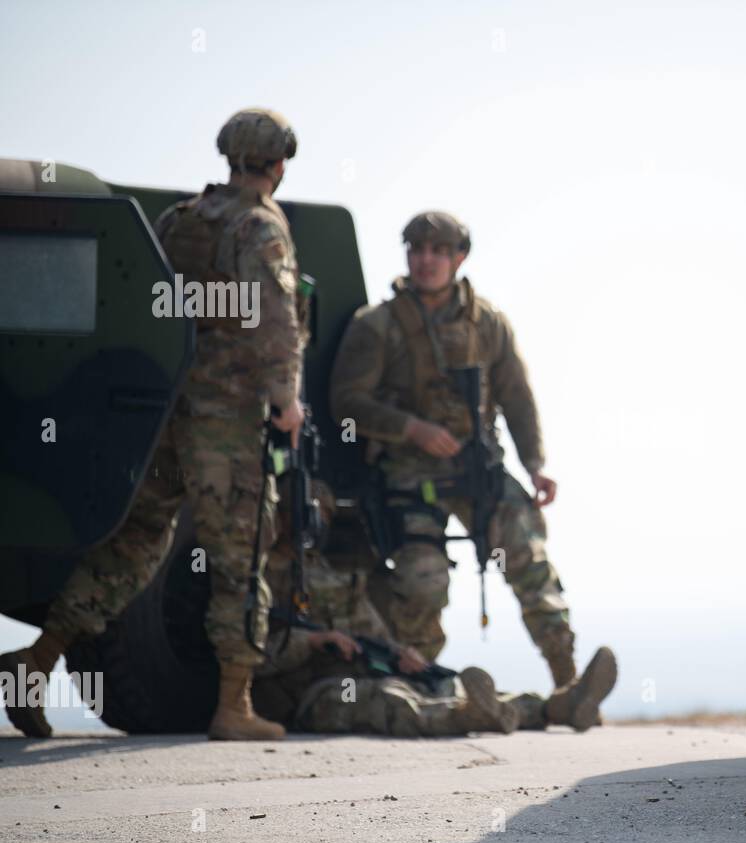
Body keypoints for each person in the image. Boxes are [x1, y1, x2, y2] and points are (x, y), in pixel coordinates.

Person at [1, 108, 306, 740]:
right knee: (240, 554)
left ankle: (38, 661)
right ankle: (234, 706)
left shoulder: (177, 219)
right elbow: (275, 320)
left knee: (133, 542)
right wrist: (286, 400)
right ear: (279, 163)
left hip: (161, 411)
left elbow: (151, 302)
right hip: (225, 420)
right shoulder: (260, 226)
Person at [329, 211, 589, 689]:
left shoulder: (487, 323)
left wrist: (535, 464)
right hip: (408, 476)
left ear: (459, 258)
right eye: (417, 249)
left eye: (439, 251)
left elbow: (516, 397)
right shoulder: (377, 325)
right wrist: (411, 429)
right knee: (423, 582)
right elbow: (346, 402)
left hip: (476, 467)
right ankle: (416, 685)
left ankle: (568, 680)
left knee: (527, 557)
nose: (426, 260)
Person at [254, 481, 616, 735]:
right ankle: (462, 719)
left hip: (360, 673)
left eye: (322, 514)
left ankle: (558, 707)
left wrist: (399, 654)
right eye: (306, 512)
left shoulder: (329, 576)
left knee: (441, 685)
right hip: (306, 695)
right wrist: (312, 642)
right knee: (388, 701)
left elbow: (369, 632)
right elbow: (250, 657)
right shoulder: (259, 576)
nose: (313, 523)